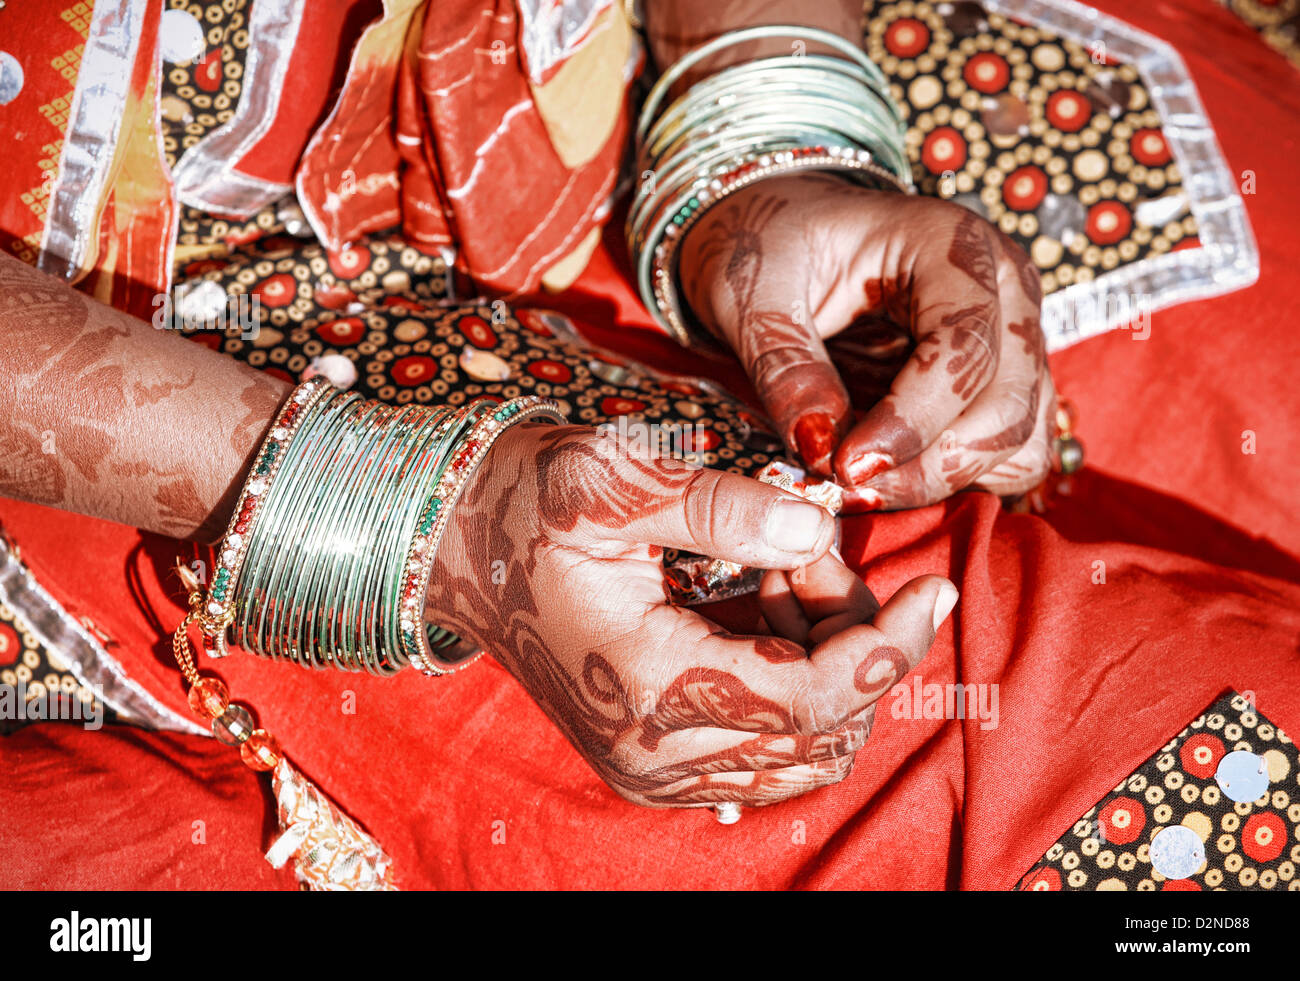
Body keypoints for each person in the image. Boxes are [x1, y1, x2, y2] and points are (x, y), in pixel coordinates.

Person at [1, 0, 1297, 890]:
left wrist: (772, 148)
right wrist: (429, 525)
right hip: (147, 405)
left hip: (608, 106)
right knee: (1089, 764)